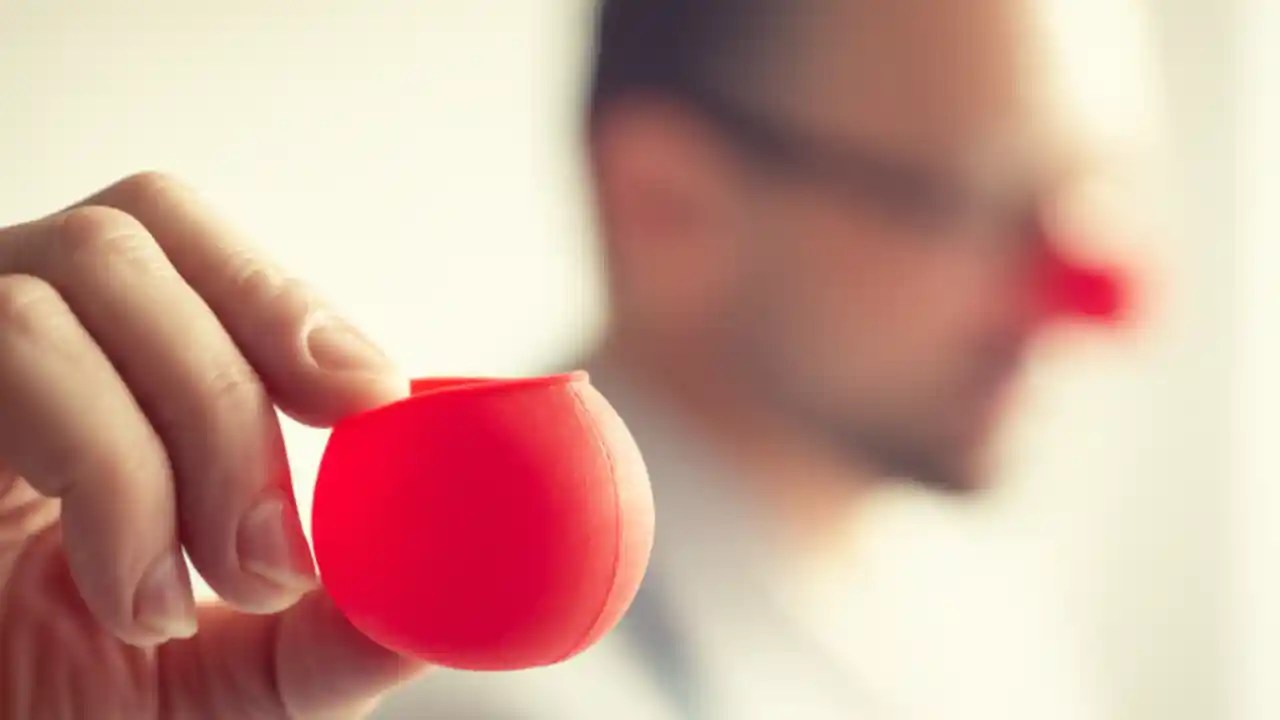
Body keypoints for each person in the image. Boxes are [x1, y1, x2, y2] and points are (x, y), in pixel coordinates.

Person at [0, 0, 1101, 718]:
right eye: (972, 198)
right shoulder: (454, 702)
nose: (1092, 288)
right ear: (668, 206)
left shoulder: (989, 616)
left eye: (1098, 192)